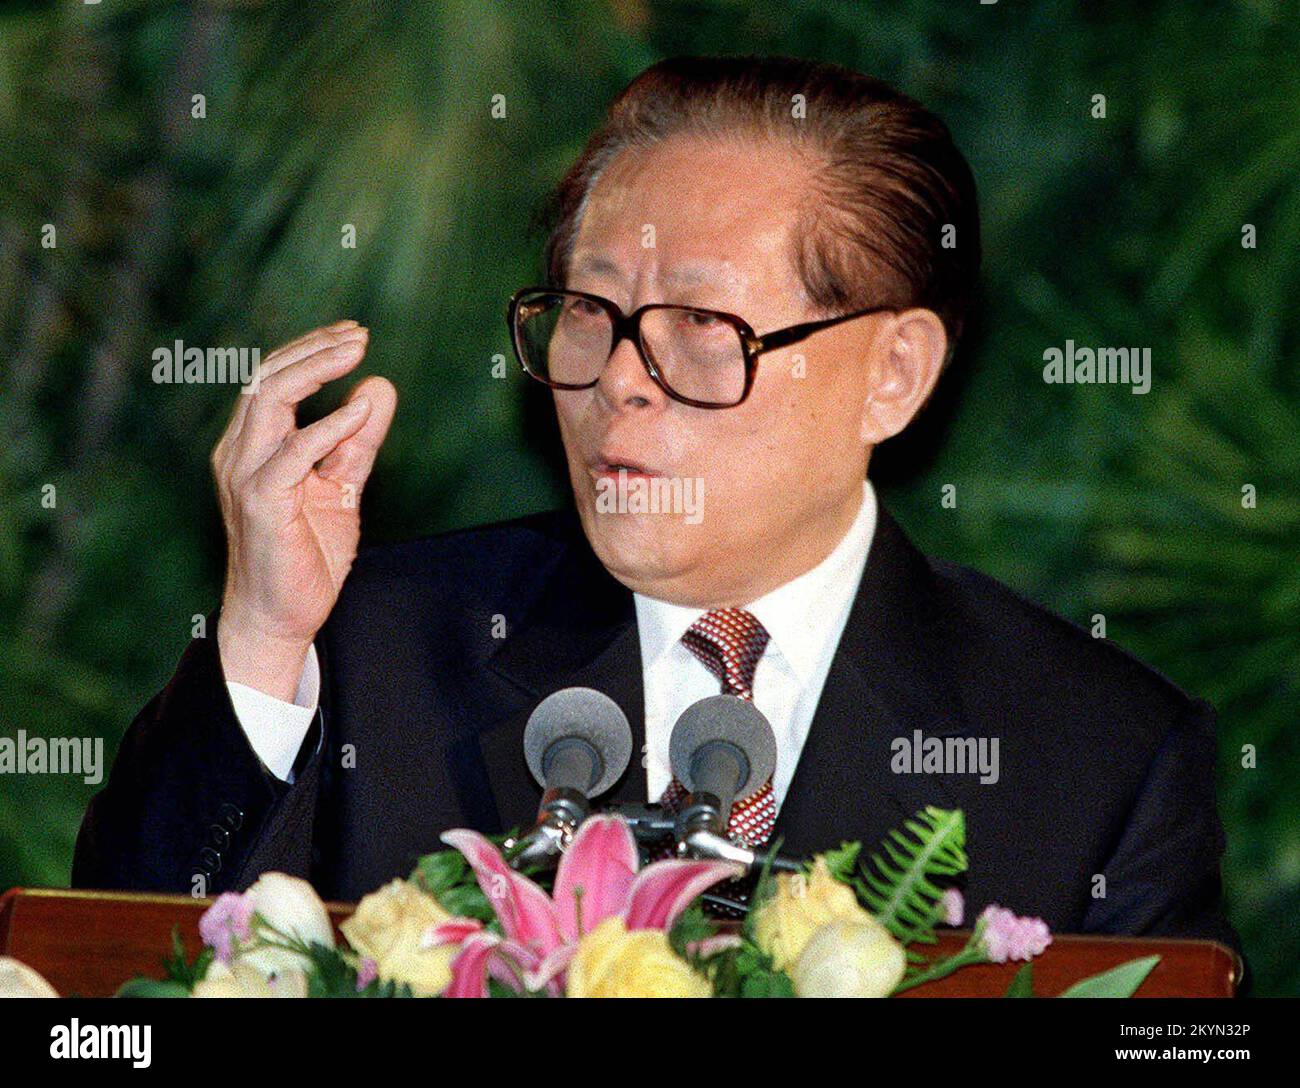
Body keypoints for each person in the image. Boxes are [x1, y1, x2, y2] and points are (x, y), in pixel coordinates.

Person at [73, 55, 1238, 953]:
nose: (619, 377)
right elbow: (118, 990)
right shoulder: (373, 645)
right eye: (590, 310)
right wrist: (265, 641)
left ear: (892, 373)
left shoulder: (1093, 758)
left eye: (699, 324)